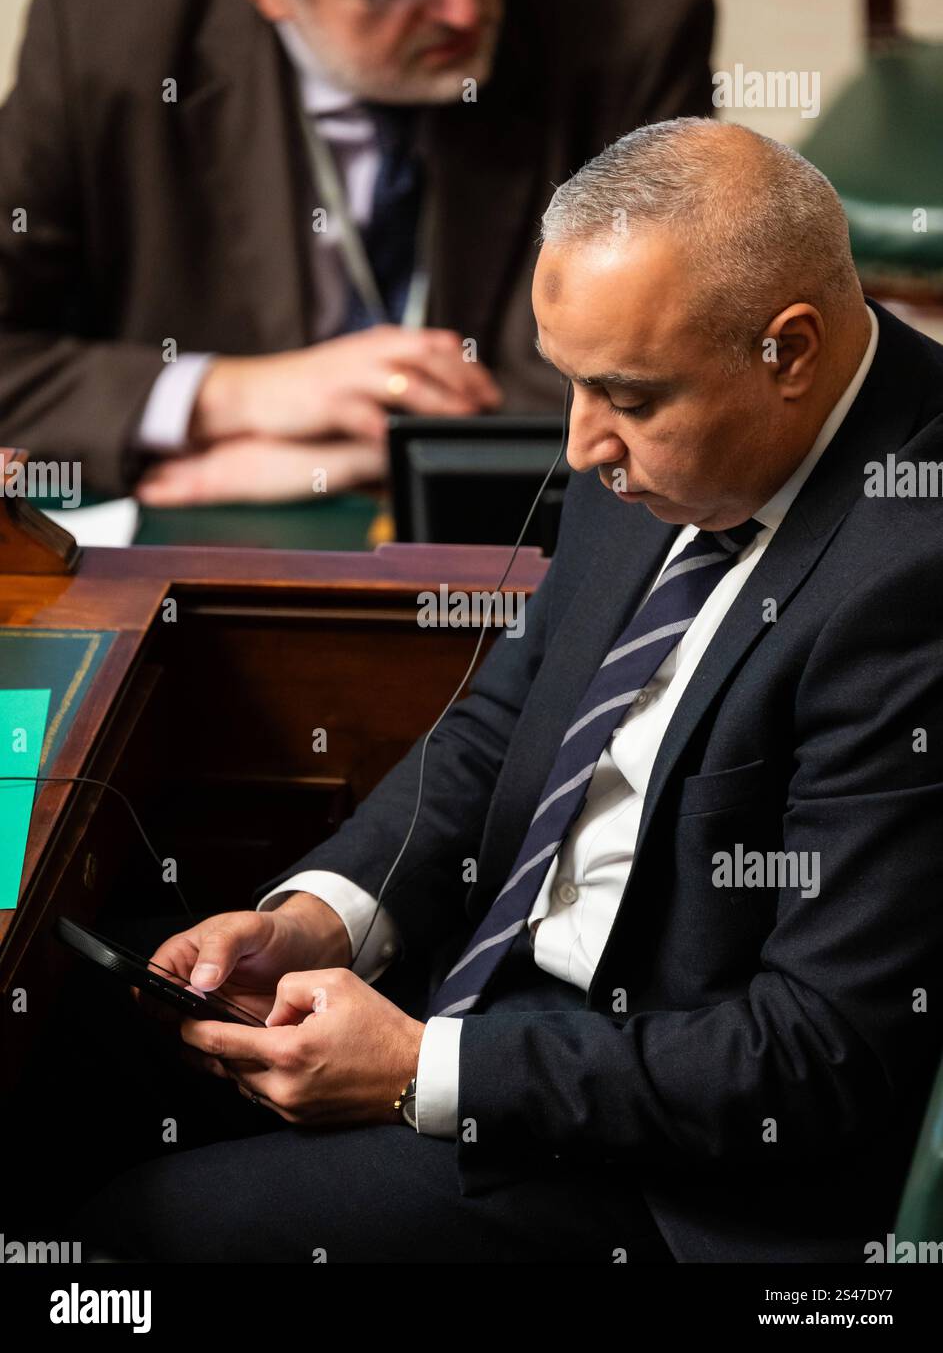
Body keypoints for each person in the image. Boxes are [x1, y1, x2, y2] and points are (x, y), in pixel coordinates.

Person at [76, 119, 943, 1263]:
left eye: (624, 399)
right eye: (572, 382)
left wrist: (420, 1072)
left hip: (679, 1177)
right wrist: (320, 921)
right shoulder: (658, 434)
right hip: (489, 998)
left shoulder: (912, 572)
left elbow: (816, 1057)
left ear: (787, 350)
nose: (581, 443)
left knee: (127, 1242)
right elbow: (504, 722)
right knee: (62, 1046)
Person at [0, 0, 714, 504]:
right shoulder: (103, 26)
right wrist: (225, 396)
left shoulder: (634, 26)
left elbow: (660, 356)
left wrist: (372, 453)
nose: (463, 7)